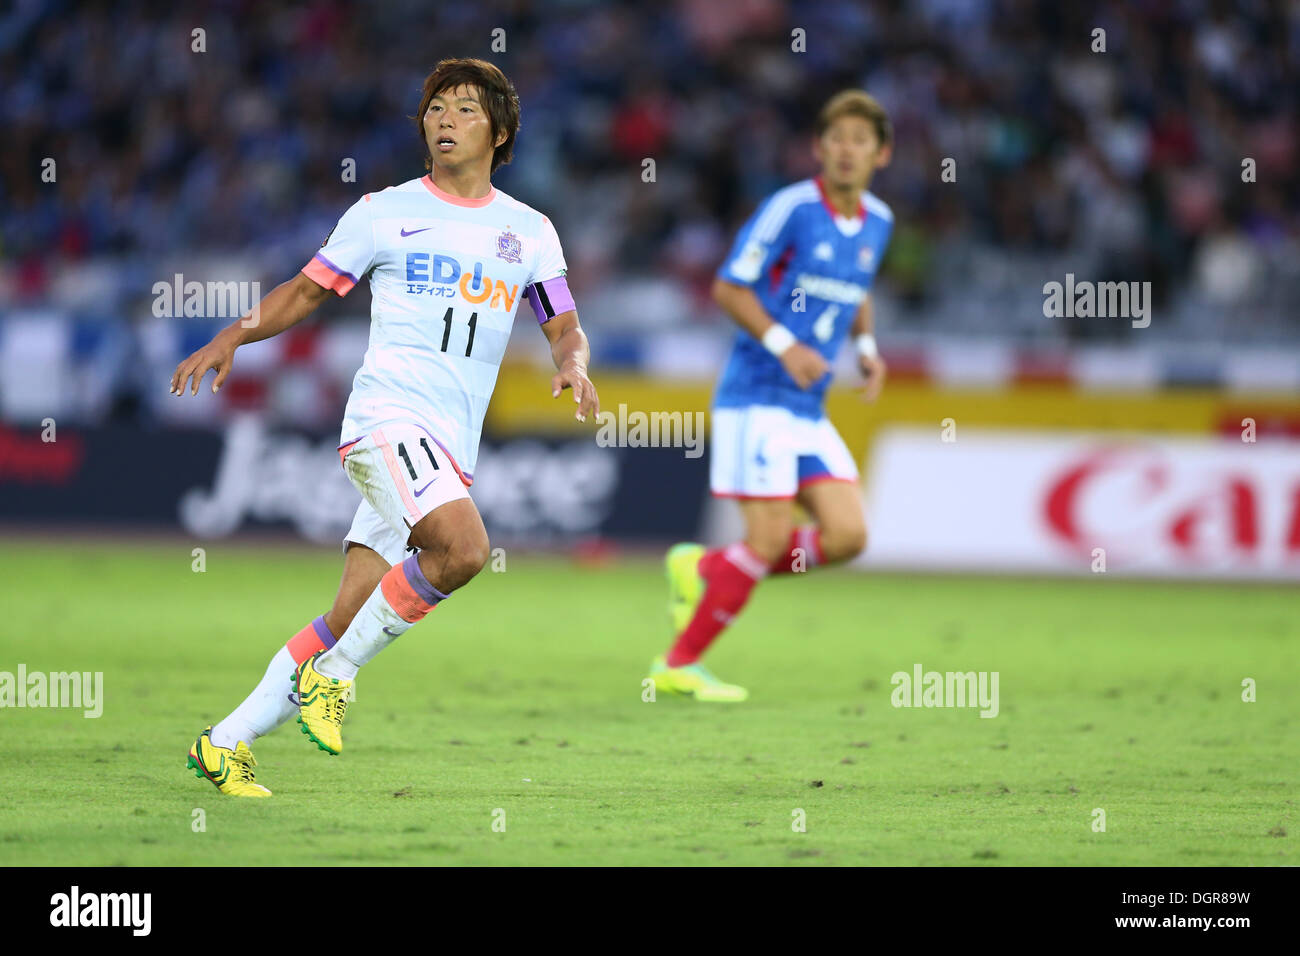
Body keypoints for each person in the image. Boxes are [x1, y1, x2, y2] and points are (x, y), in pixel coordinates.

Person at [173, 58, 598, 795]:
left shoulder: (528, 231)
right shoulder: (383, 211)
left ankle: (224, 741)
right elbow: (305, 292)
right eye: (435, 108)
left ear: (499, 131)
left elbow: (561, 320)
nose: (443, 120)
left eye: (464, 110)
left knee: (348, 613)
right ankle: (333, 679)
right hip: (385, 420)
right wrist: (232, 336)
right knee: (464, 550)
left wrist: (574, 361)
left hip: (447, 444)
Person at [649, 90, 893, 702]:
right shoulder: (791, 208)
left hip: (808, 408)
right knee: (766, 541)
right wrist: (786, 343)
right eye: (835, 138)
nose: (846, 151)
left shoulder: (879, 222)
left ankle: (704, 569)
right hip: (756, 396)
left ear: (881, 154)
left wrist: (865, 348)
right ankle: (677, 663)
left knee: (847, 538)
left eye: (860, 141)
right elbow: (730, 288)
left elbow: (856, 287)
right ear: (819, 147)